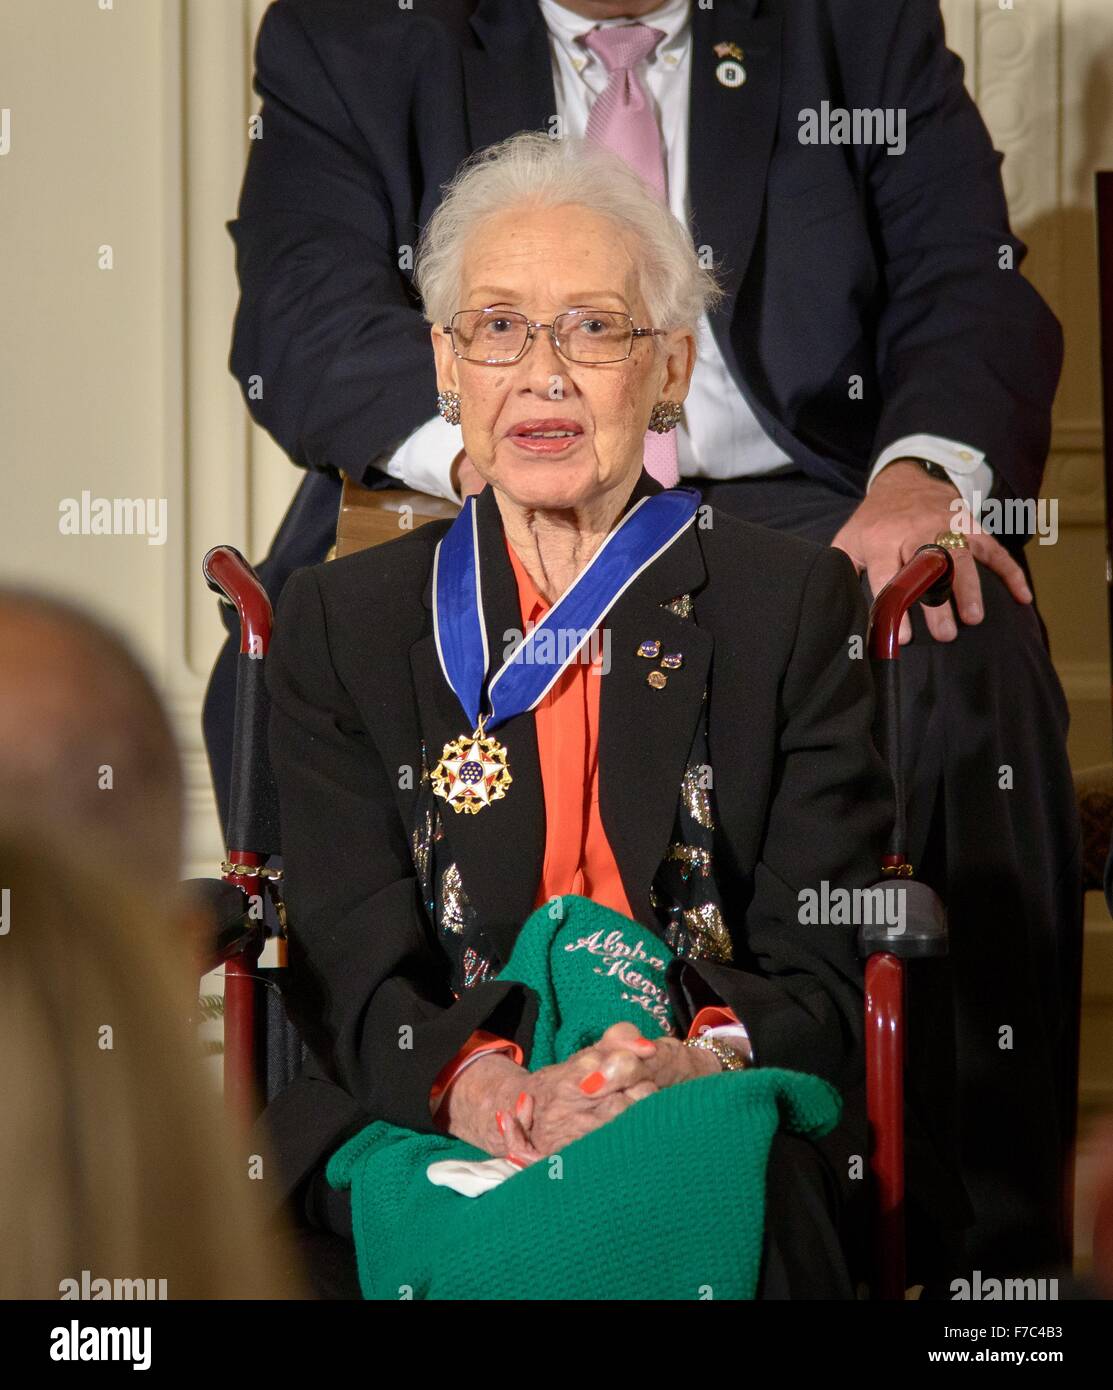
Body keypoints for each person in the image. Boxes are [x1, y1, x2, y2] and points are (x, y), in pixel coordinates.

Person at [211, 0, 1080, 1278]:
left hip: (808, 492)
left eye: (592, 329)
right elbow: (299, 312)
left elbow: (970, 279)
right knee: (298, 652)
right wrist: (498, 456)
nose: (547, 362)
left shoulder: (855, 24)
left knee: (964, 631)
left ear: (664, 358)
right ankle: (413, 1049)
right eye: (502, 326)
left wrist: (918, 475)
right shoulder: (357, 29)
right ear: (453, 350)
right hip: (434, 484)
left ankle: (994, 1252)